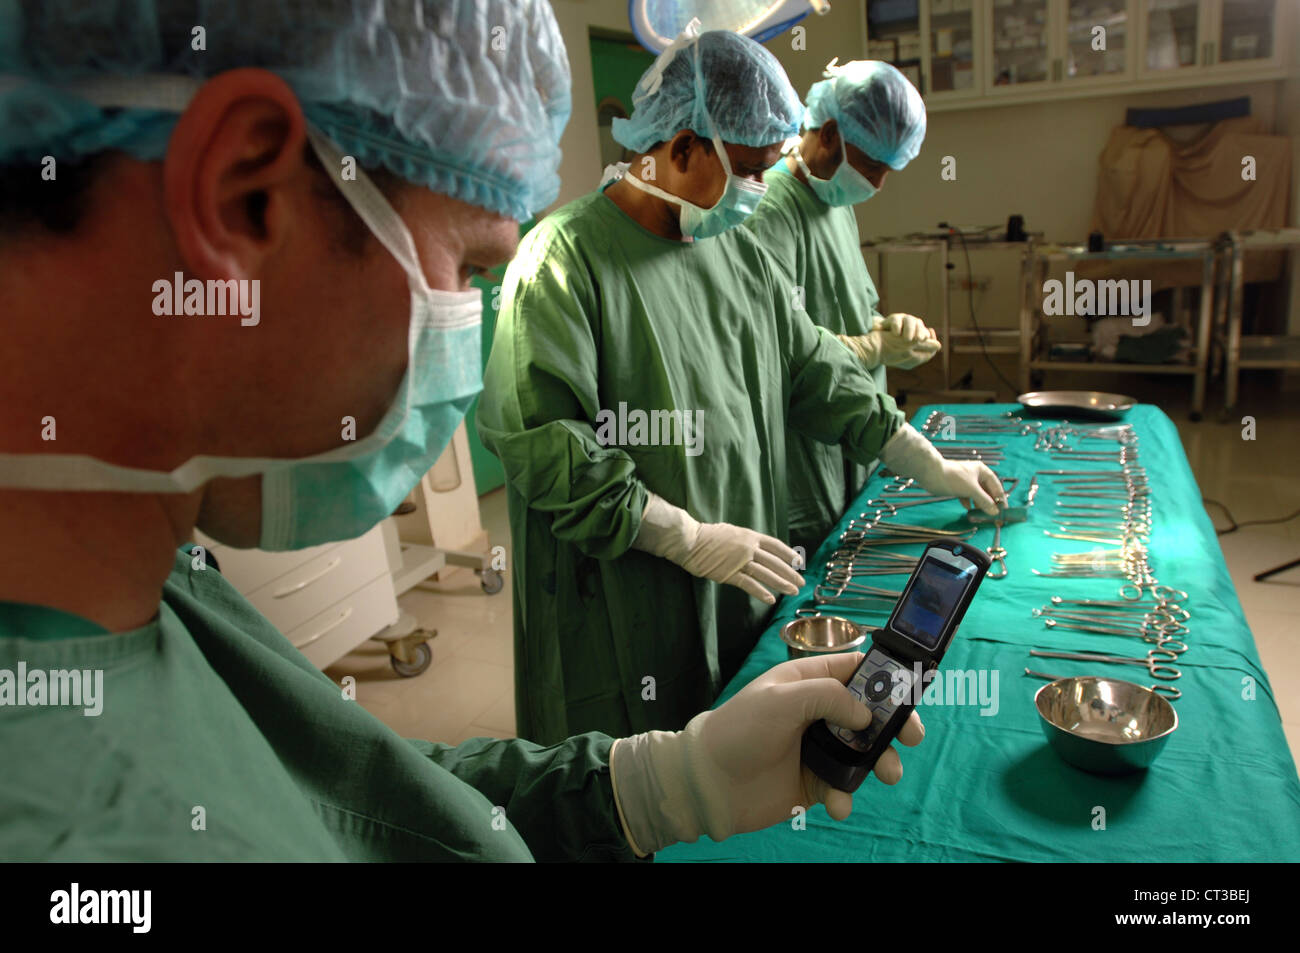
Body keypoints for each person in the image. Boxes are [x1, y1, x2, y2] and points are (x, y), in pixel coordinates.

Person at [0, 0, 923, 863]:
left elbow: (382, 804)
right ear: (244, 192)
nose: (467, 318)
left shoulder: (170, 602)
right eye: (468, 266)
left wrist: (659, 786)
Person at [477, 25, 1002, 747]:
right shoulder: (561, 261)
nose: (760, 190)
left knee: (733, 763)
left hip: (738, 575)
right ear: (682, 146)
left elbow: (815, 365)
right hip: (624, 599)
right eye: (750, 169)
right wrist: (684, 536)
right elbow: (543, 445)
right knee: (628, 792)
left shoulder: (735, 250)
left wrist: (926, 460)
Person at [745, 59, 942, 557]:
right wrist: (873, 347)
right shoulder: (769, 209)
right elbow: (778, 352)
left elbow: (846, 305)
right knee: (815, 585)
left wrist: (889, 330)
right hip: (807, 454)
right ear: (829, 132)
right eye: (872, 167)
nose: (877, 185)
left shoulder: (835, 201)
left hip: (857, 437)